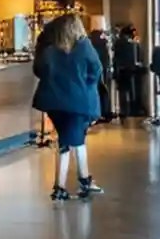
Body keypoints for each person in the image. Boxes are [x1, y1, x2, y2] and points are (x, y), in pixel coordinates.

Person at [32, 15, 105, 201]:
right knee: (73, 140)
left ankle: (73, 183)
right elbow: (96, 70)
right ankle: (71, 185)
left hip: (53, 102)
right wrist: (85, 85)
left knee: (70, 139)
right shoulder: (84, 47)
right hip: (78, 102)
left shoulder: (49, 50)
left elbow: (38, 70)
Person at [113, 25, 143, 118]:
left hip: (121, 70)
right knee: (131, 90)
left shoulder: (118, 43)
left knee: (123, 91)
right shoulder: (131, 44)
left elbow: (116, 58)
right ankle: (132, 110)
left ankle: (124, 110)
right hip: (130, 70)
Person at [88, 26, 114, 123]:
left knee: (98, 93)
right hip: (103, 72)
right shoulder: (103, 46)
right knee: (104, 93)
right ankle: (105, 112)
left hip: (97, 73)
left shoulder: (92, 46)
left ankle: (99, 113)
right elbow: (106, 60)